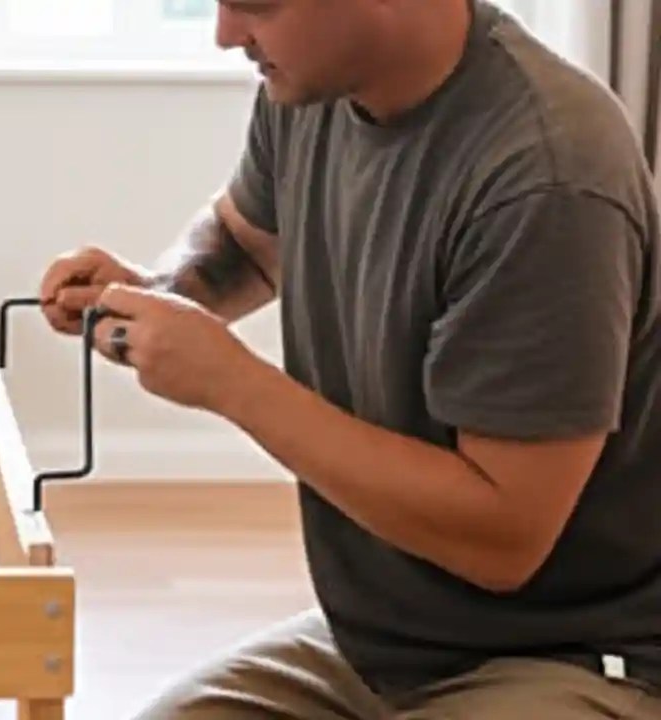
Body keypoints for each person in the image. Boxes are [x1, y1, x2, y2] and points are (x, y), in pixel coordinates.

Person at [37, 0, 661, 717]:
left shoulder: (546, 177)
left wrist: (231, 382)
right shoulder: (308, 89)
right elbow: (244, 240)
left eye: (254, 5)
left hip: (578, 653)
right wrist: (157, 293)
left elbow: (502, 537)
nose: (225, 34)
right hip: (386, 647)